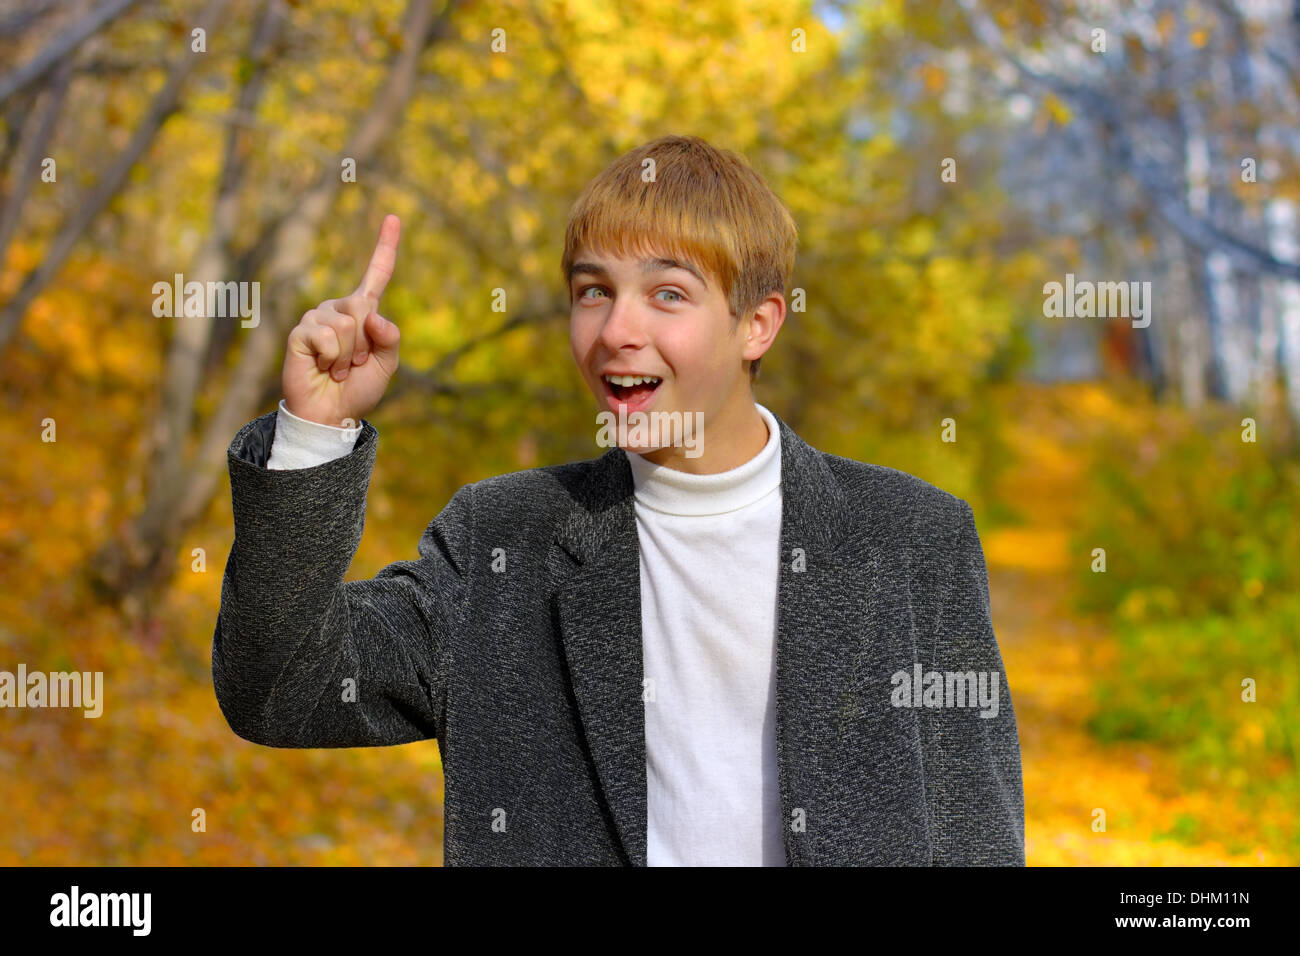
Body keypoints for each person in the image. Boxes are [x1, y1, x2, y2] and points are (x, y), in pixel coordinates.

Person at [212, 134, 1025, 866]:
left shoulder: (914, 538)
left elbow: (978, 833)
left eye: (667, 294)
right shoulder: (502, 542)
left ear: (758, 326)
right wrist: (314, 435)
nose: (614, 331)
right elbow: (282, 688)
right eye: (594, 291)